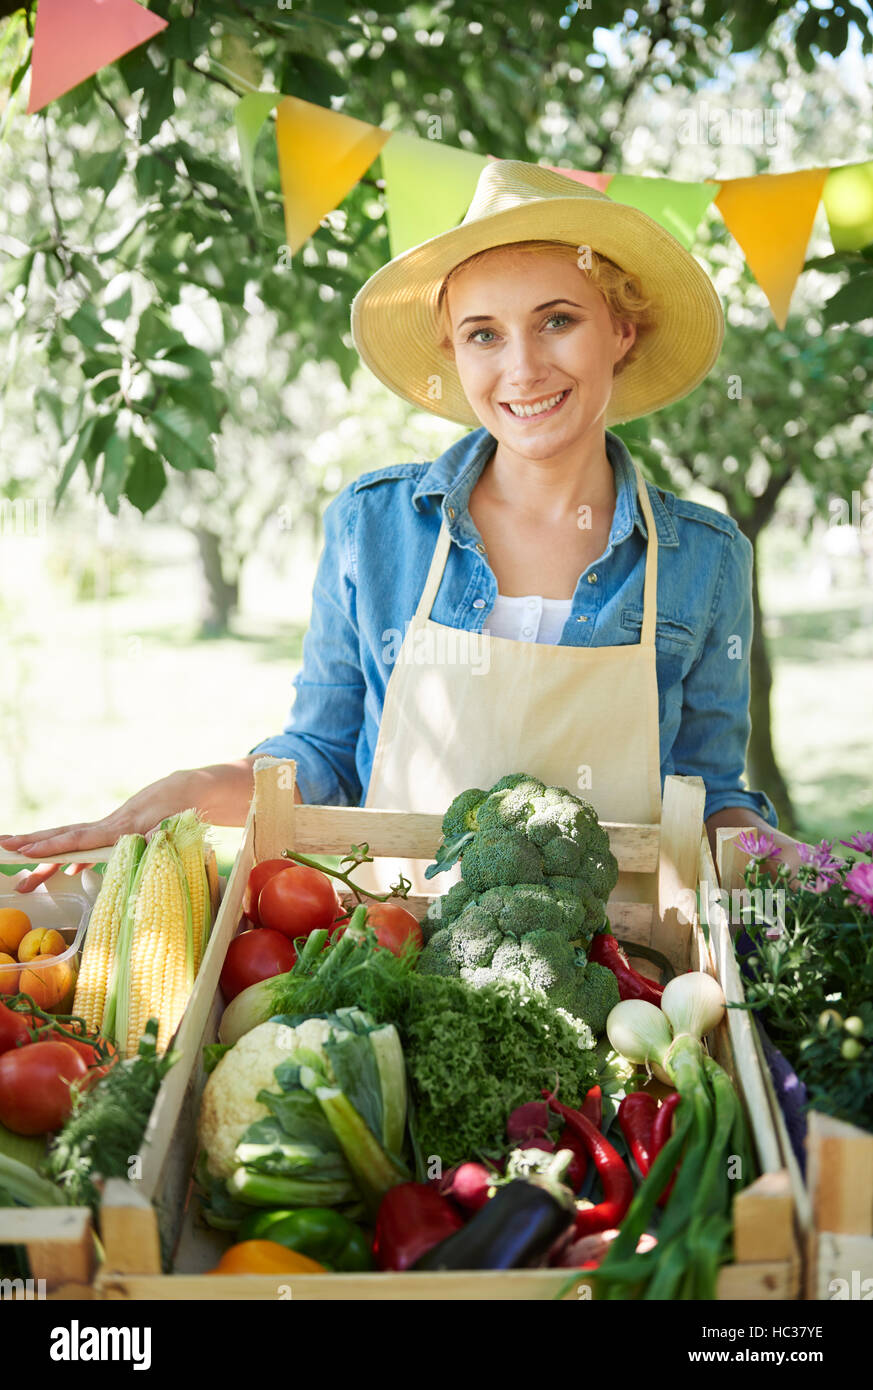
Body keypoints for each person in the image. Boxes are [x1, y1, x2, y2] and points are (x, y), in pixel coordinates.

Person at [1, 160, 802, 894]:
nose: (521, 367)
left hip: (622, 973)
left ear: (620, 332)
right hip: (394, 950)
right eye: (483, 334)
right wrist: (187, 792)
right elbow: (319, 756)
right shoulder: (375, 526)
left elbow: (709, 796)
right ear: (454, 354)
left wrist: (799, 864)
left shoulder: (705, 559)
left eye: (557, 320)